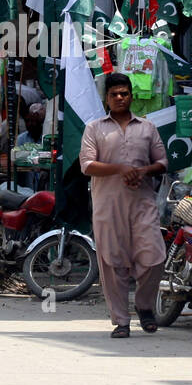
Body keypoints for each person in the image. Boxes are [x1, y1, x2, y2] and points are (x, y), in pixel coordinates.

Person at [79, 73, 168, 338]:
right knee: (112, 262)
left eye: (124, 93)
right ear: (107, 98)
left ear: (131, 96)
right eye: (114, 94)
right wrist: (120, 168)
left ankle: (144, 305)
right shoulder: (94, 128)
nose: (120, 98)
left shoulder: (147, 127)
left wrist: (143, 171)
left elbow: (162, 162)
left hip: (142, 202)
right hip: (108, 205)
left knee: (154, 257)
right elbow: (87, 165)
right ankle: (121, 321)